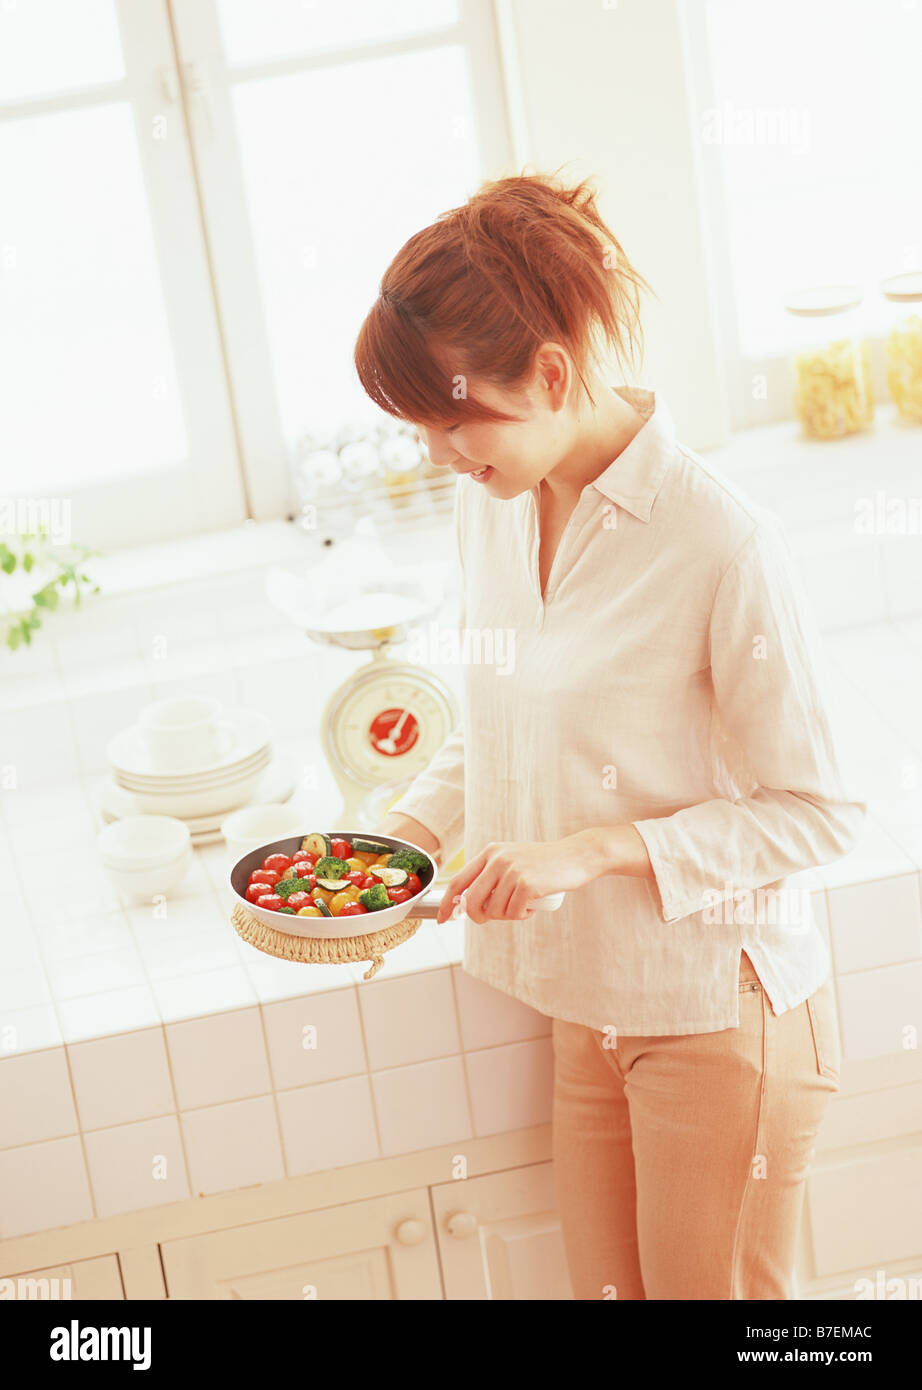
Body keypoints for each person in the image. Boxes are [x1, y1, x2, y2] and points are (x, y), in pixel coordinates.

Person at [353, 170, 867, 1300]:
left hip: (715, 1013)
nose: (440, 455)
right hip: (587, 1002)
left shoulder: (718, 541)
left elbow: (820, 811)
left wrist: (590, 849)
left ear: (546, 374)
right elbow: (500, 713)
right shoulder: (489, 499)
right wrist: (389, 845)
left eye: (453, 423)